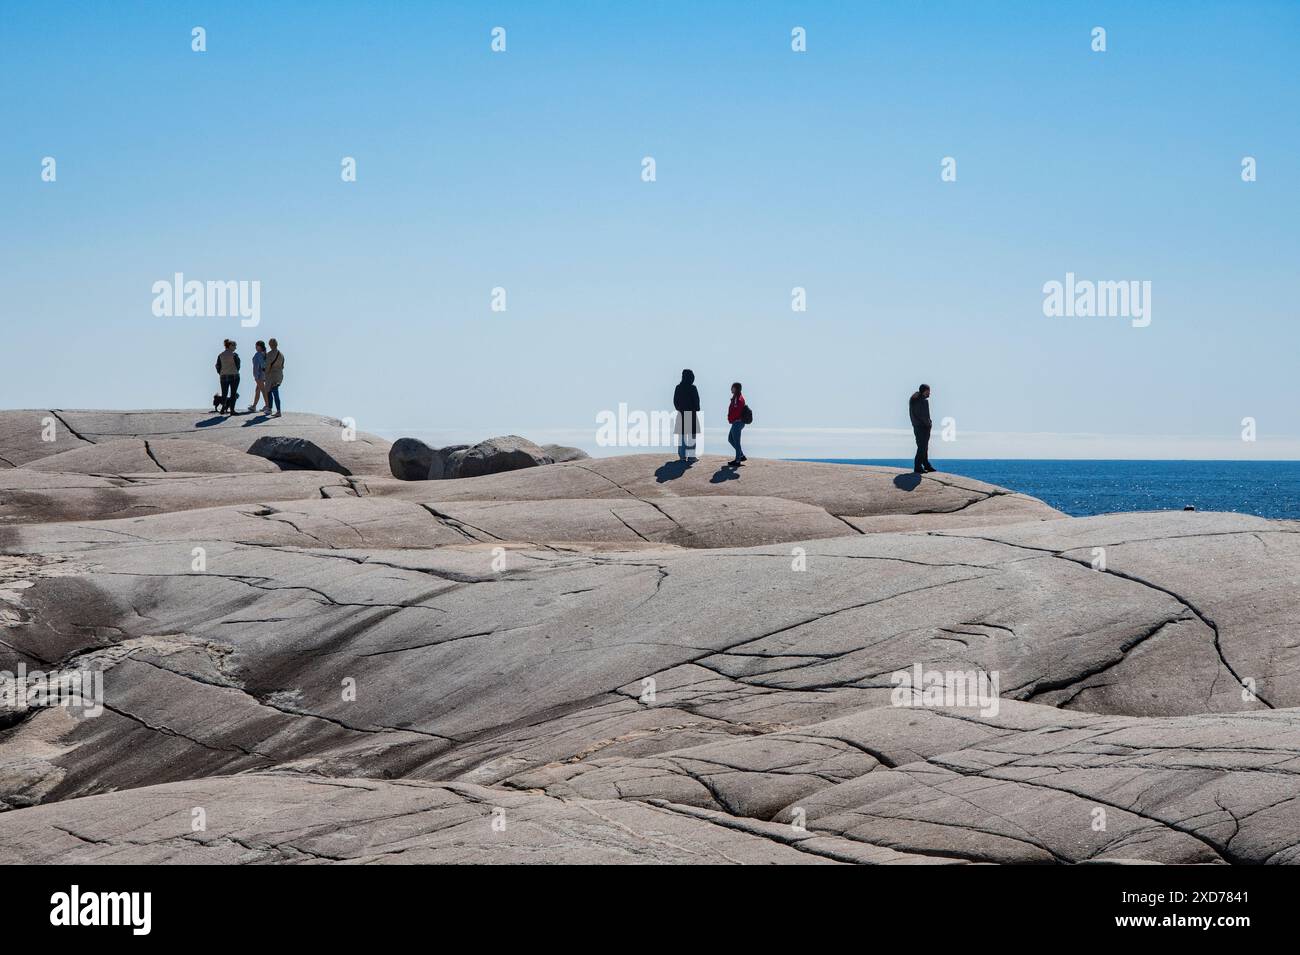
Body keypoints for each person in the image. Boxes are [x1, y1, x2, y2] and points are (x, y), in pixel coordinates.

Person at [673, 369, 701, 461]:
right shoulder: (692, 388)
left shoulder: (678, 387)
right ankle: (691, 456)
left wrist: (679, 408)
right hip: (691, 414)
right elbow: (696, 401)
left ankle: (682, 456)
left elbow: (675, 401)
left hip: (681, 413)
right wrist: (697, 408)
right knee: (691, 436)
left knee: (682, 436)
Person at [909, 383, 935, 473]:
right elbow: (924, 416)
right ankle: (918, 466)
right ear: (924, 391)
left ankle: (926, 464)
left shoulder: (914, 399)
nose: (929, 393)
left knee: (923, 446)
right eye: (928, 391)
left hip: (917, 426)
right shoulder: (922, 401)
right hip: (922, 427)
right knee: (922, 447)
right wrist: (929, 424)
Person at [216, 340, 241, 413]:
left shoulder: (220, 355)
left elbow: (218, 366)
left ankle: (223, 407)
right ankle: (232, 410)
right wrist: (235, 370)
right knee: (233, 393)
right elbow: (238, 365)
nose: (235, 347)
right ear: (230, 346)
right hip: (234, 376)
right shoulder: (235, 355)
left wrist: (220, 373)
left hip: (223, 376)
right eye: (234, 346)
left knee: (224, 393)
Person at [726, 381, 747, 467]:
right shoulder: (737, 397)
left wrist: (731, 418)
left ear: (736, 388)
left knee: (736, 442)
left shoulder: (737, 398)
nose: (731, 389)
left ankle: (738, 460)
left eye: (732, 387)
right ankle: (741, 455)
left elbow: (736, 410)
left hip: (737, 422)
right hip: (736, 422)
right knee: (730, 439)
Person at [264, 338, 284, 417]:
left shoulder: (269, 354)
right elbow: (282, 366)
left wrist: (266, 373)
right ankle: (278, 410)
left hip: (271, 375)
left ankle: (270, 409)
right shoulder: (281, 354)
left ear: (270, 345)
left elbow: (267, 366)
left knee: (269, 392)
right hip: (279, 375)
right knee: (276, 392)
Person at [247, 341, 268, 413]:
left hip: (259, 375)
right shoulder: (264, 353)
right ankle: (254, 406)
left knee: (263, 391)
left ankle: (267, 406)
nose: (255, 347)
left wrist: (256, 376)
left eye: (256, 346)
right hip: (263, 375)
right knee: (258, 390)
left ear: (260, 346)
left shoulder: (258, 354)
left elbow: (260, 365)